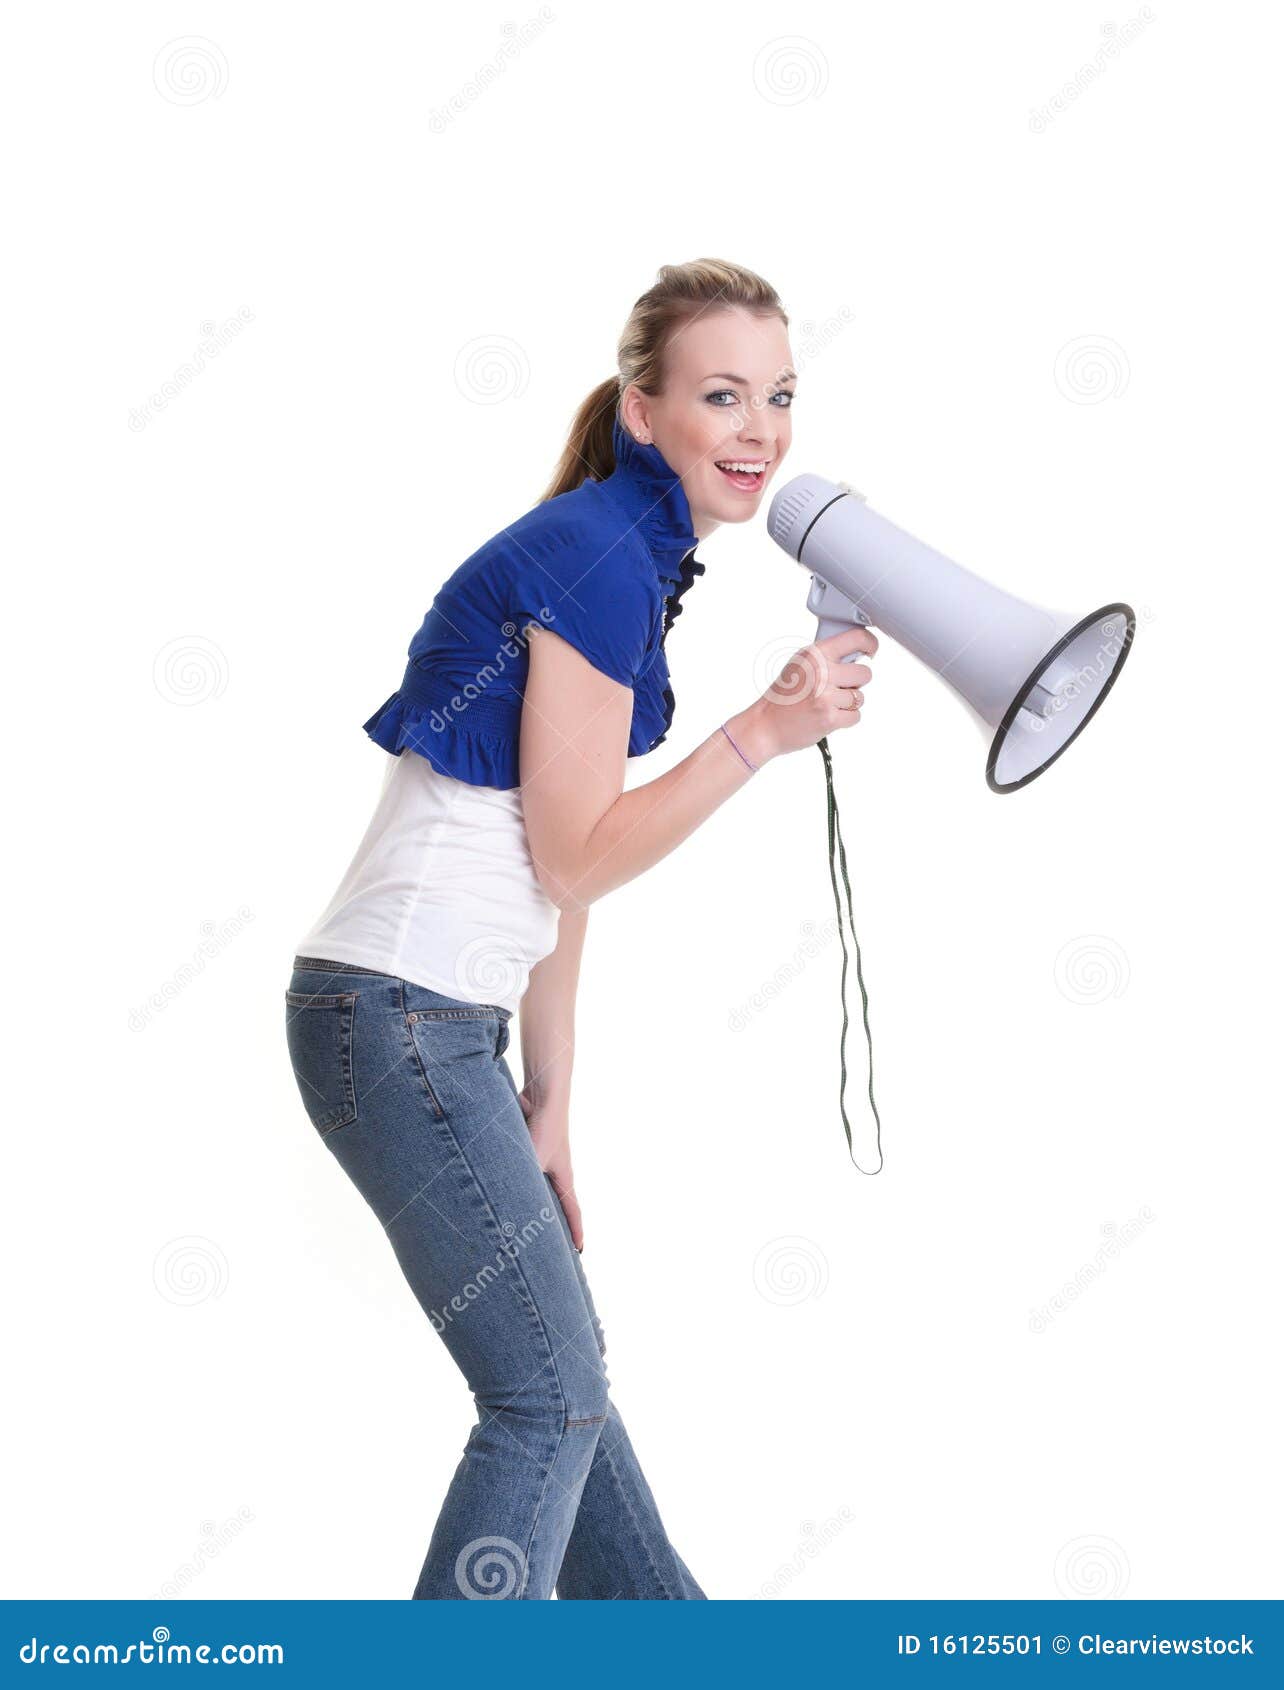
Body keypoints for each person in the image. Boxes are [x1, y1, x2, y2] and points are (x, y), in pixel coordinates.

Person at [283, 258, 875, 1600]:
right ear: (644, 410)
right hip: (397, 1018)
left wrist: (549, 1095)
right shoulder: (603, 554)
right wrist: (764, 732)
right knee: (544, 1402)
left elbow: (562, 878)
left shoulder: (624, 553)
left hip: (424, 1024)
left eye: (779, 395)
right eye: (722, 394)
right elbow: (579, 848)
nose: (760, 430)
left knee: (568, 1389)